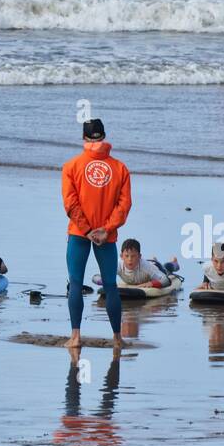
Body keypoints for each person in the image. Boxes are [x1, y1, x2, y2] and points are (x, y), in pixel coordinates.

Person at [62, 118, 132, 349]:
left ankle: (75, 337)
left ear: (84, 138)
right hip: (106, 236)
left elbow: (70, 204)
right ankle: (117, 338)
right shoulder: (120, 168)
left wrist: (87, 229)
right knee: (110, 285)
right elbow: (124, 205)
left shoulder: (71, 166)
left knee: (75, 283)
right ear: (104, 137)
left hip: (79, 234)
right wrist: (106, 228)